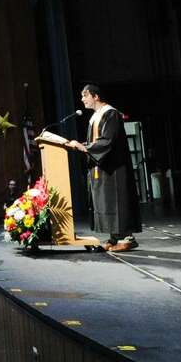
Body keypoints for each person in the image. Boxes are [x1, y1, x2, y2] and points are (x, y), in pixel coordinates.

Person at [66, 84, 141, 251]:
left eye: (85, 95)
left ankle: (127, 237)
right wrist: (84, 145)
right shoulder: (96, 117)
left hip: (114, 168)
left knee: (117, 201)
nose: (82, 99)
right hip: (102, 166)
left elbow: (108, 141)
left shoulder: (111, 114)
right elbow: (97, 141)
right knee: (107, 201)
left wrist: (84, 147)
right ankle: (115, 237)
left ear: (96, 96)